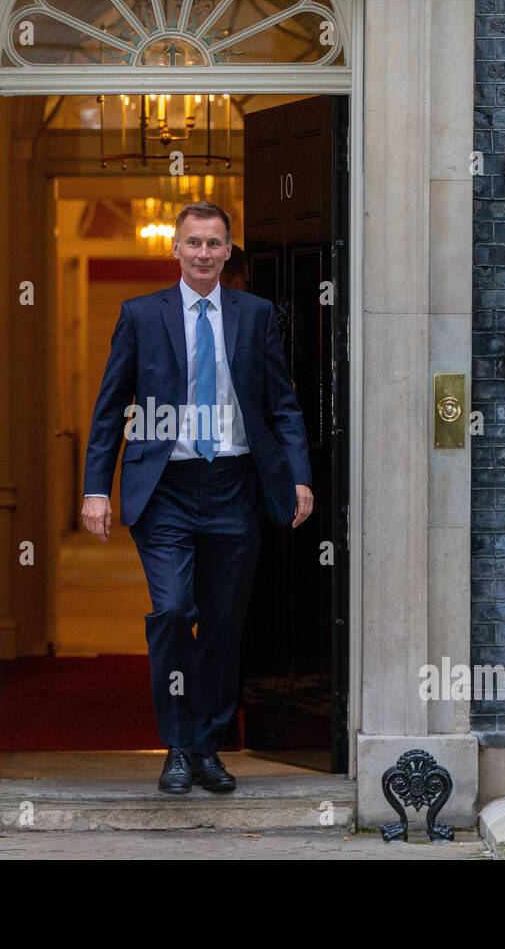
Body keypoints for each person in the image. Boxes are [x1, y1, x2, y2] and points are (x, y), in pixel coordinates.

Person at [80, 200, 313, 794]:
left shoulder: (257, 314)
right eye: (194, 243)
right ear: (175, 250)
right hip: (166, 491)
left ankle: (207, 747)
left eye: (214, 243)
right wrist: (94, 490)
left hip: (235, 486)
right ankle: (177, 744)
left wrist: (298, 477)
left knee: (222, 624)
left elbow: (281, 405)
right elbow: (110, 410)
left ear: (229, 249)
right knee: (175, 610)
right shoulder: (141, 315)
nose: (204, 253)